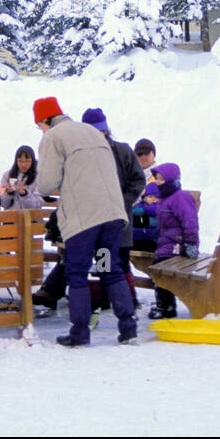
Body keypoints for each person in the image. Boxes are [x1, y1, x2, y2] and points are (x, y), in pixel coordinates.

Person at [33, 97, 137, 347]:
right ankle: (128, 328)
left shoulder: (53, 137)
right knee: (108, 268)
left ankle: (79, 333)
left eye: (39, 125)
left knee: (76, 272)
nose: (41, 130)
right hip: (111, 219)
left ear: (46, 120)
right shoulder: (90, 131)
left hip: (84, 223)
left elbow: (46, 183)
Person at [81, 107, 145, 299]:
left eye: (98, 131)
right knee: (104, 262)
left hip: (120, 219)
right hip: (97, 222)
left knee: (122, 261)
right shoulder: (82, 156)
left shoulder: (122, 151)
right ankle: (106, 297)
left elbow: (138, 180)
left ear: (105, 130)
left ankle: (129, 299)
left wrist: (123, 200)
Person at [148, 162, 200, 319]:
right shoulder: (165, 198)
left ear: (172, 180)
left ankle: (166, 306)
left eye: (161, 179)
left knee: (160, 267)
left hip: (179, 245)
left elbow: (190, 222)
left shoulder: (179, 198)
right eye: (157, 179)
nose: (158, 182)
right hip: (169, 243)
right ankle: (165, 304)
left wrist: (191, 244)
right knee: (158, 262)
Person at [131, 139, 160, 251]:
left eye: (147, 153)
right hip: (136, 223)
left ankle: (105, 266)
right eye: (139, 154)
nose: (143, 157)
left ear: (153, 153)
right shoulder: (131, 175)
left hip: (150, 227)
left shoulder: (160, 176)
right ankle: (104, 266)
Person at [0, 145, 44, 210]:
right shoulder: (7, 176)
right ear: (16, 161)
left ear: (32, 161)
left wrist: (25, 194)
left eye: (27, 161)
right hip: (11, 218)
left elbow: (38, 205)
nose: (23, 164)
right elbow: (3, 205)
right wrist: (8, 193)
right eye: (20, 161)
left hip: (31, 219)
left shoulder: (39, 177)